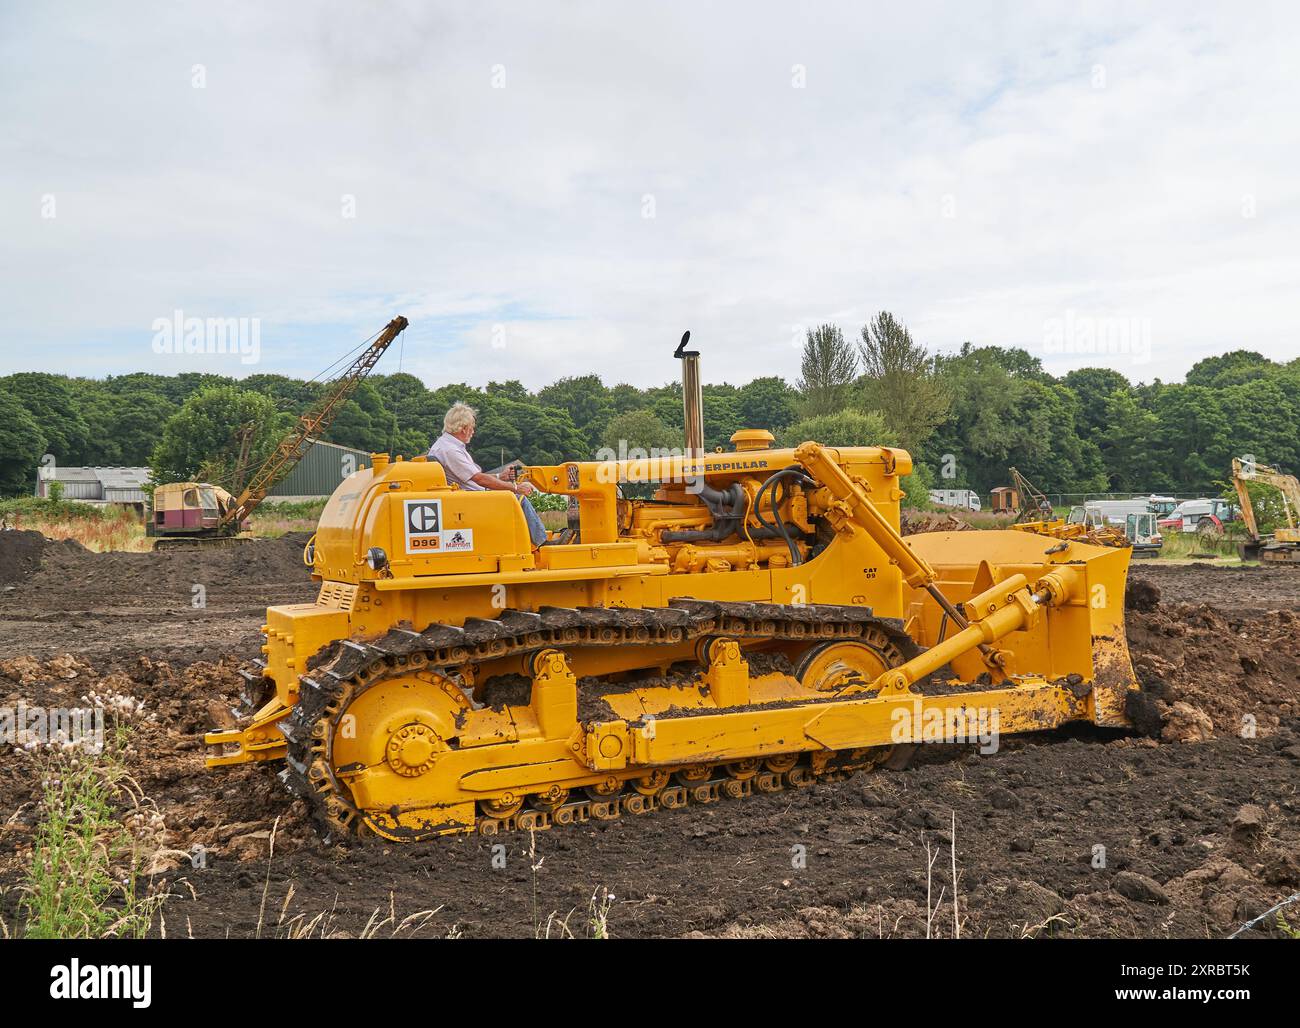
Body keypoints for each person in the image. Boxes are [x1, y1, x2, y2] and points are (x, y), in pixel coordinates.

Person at [428, 402, 548, 547]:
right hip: (471, 501)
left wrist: (499, 477)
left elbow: (472, 477)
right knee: (519, 499)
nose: (473, 431)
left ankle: (527, 542)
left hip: (466, 496)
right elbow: (479, 479)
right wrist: (515, 488)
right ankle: (542, 542)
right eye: (472, 427)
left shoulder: (444, 446)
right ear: (464, 428)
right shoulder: (451, 451)